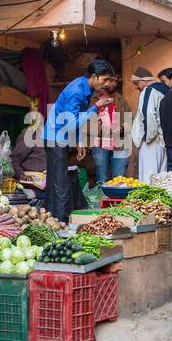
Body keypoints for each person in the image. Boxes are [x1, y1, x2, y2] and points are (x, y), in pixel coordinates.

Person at [42, 59, 117, 222]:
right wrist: (96, 107)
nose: (106, 84)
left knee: (58, 180)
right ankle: (61, 223)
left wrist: (79, 141)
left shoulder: (86, 88)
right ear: (95, 77)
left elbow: (75, 118)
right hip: (54, 138)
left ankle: (49, 218)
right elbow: (71, 123)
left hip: (61, 136)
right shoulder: (76, 91)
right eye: (105, 80)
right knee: (60, 183)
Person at [130, 67, 170, 181]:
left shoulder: (148, 90)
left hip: (152, 142)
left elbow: (148, 114)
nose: (137, 87)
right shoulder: (166, 91)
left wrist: (148, 138)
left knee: (148, 179)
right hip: (163, 141)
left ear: (144, 80)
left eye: (137, 83)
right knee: (161, 180)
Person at [88, 84, 132, 183]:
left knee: (119, 179)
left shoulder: (120, 99)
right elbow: (85, 120)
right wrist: (100, 130)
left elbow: (129, 120)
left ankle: (117, 197)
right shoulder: (93, 99)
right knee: (102, 178)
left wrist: (121, 128)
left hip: (120, 143)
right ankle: (103, 197)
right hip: (100, 144)